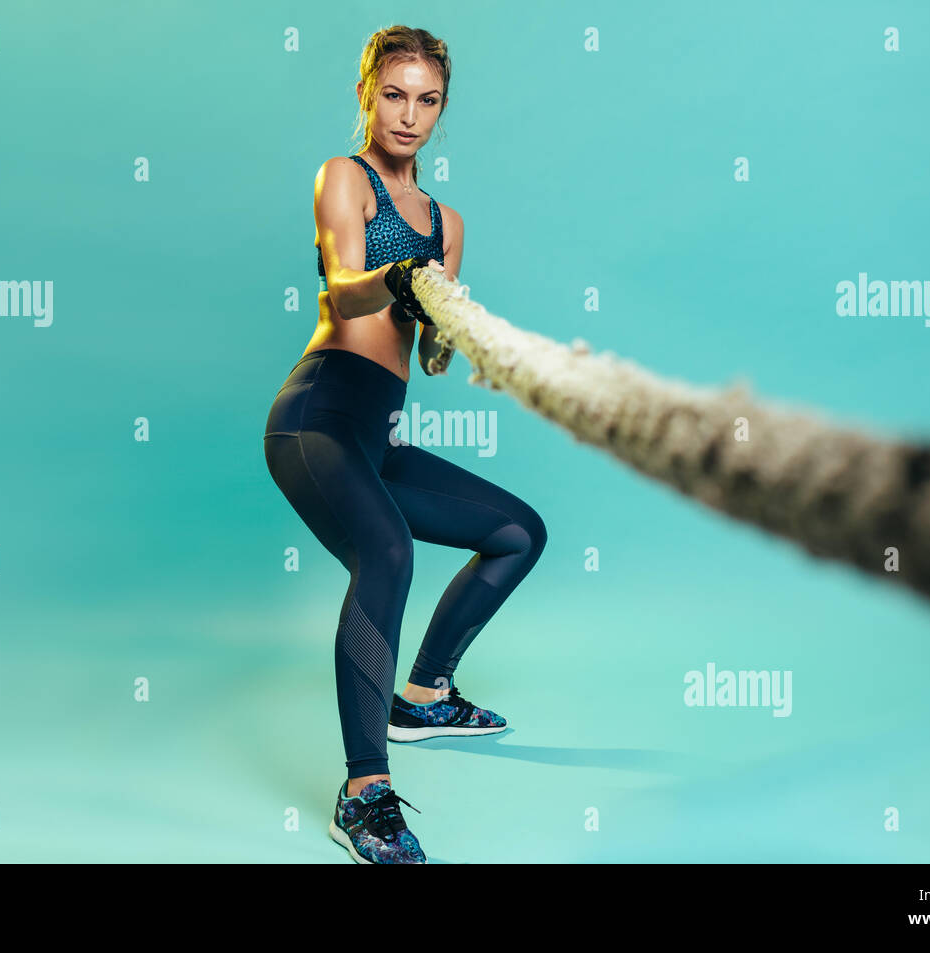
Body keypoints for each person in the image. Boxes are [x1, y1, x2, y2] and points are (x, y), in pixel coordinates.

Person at [262, 26, 547, 864]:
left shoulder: (447, 222)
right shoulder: (344, 179)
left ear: (443, 110)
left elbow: (426, 356)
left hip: (376, 438)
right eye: (395, 95)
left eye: (427, 100)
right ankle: (364, 795)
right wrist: (400, 282)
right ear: (366, 94)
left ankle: (423, 693)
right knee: (385, 551)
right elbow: (346, 294)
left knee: (517, 532)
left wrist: (448, 331)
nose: (409, 115)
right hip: (314, 419)